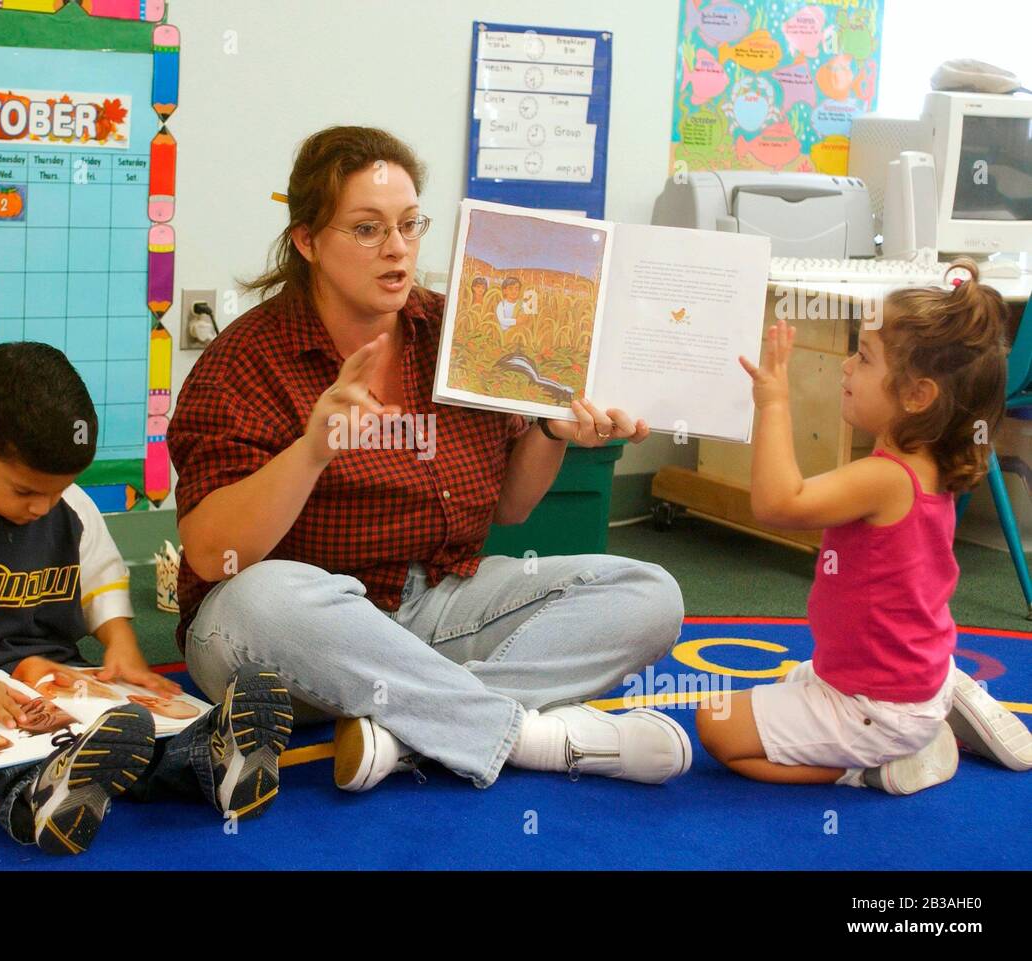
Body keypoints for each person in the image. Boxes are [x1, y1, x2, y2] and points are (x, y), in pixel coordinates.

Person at [167, 125, 690, 795]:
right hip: (294, 639)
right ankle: (522, 733)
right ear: (307, 240)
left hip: (433, 604)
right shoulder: (245, 361)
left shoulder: (454, 333)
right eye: (366, 229)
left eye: (410, 225)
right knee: (261, 598)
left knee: (649, 594)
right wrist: (313, 450)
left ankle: (408, 727)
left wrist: (549, 433)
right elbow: (214, 557)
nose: (397, 249)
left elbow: (510, 507)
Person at [0, 342, 292, 855]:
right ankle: (37, 800)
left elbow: (105, 594)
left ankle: (214, 760)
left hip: (63, 677)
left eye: (58, 490)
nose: (43, 506)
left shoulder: (69, 505)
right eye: (25, 491)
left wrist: (123, 651)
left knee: (133, 731)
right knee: (7, 750)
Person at [697, 265, 1032, 793]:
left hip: (879, 705)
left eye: (864, 356)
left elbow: (779, 504)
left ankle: (880, 765)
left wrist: (775, 405)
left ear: (917, 396)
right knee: (789, 683)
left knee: (715, 725)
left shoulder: (884, 477)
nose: (847, 366)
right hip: (900, 677)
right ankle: (931, 702)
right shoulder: (929, 461)